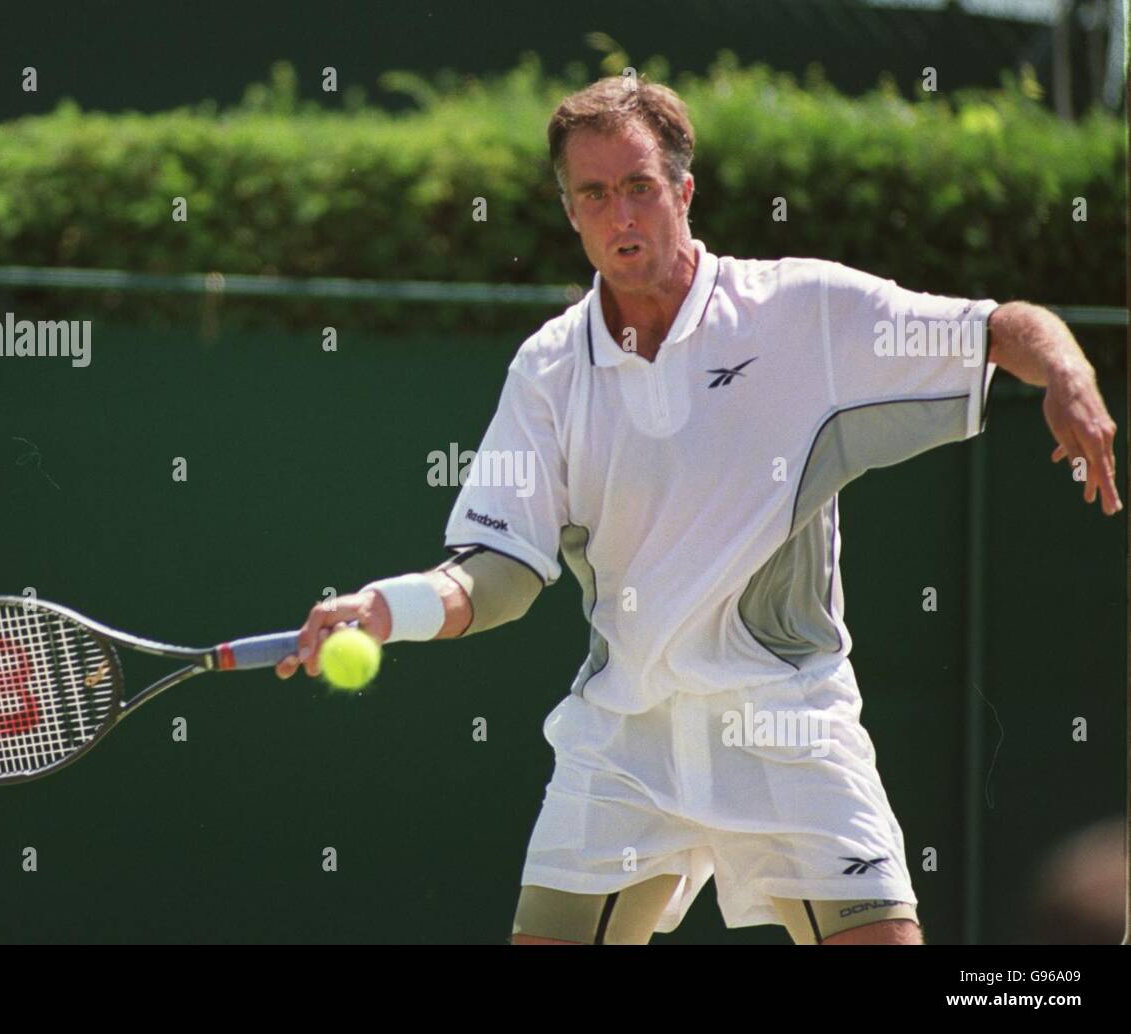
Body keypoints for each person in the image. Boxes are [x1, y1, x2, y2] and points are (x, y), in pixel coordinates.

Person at [276, 76, 1121, 945]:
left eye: (639, 186)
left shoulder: (802, 313)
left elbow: (1000, 327)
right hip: (624, 745)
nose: (621, 214)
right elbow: (500, 571)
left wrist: (1068, 377)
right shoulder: (548, 371)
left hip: (789, 728)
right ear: (571, 214)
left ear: (683, 191)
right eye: (594, 195)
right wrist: (389, 608)